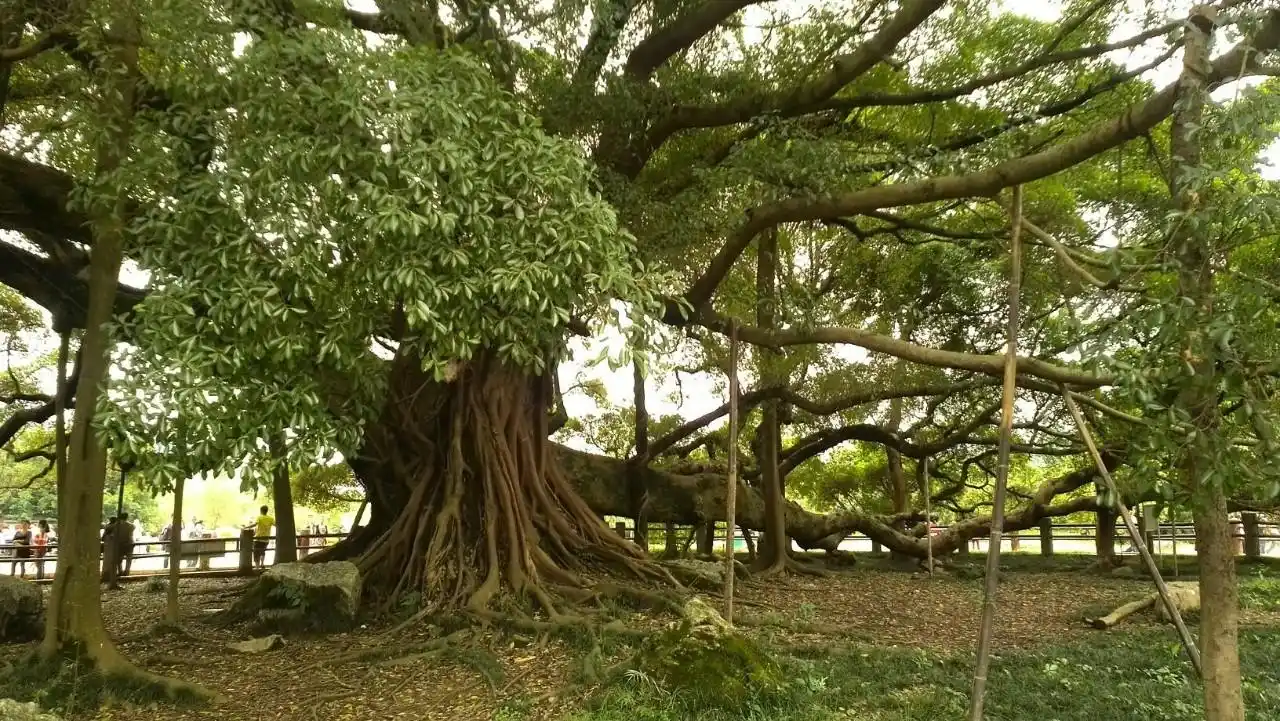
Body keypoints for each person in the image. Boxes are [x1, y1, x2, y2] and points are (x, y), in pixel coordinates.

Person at [116, 512, 136, 576]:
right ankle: (127, 572)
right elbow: (133, 529)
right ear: (127, 517)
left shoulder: (117, 525)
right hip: (129, 543)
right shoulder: (131, 525)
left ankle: (120, 571)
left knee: (119, 559)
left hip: (120, 543)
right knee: (129, 559)